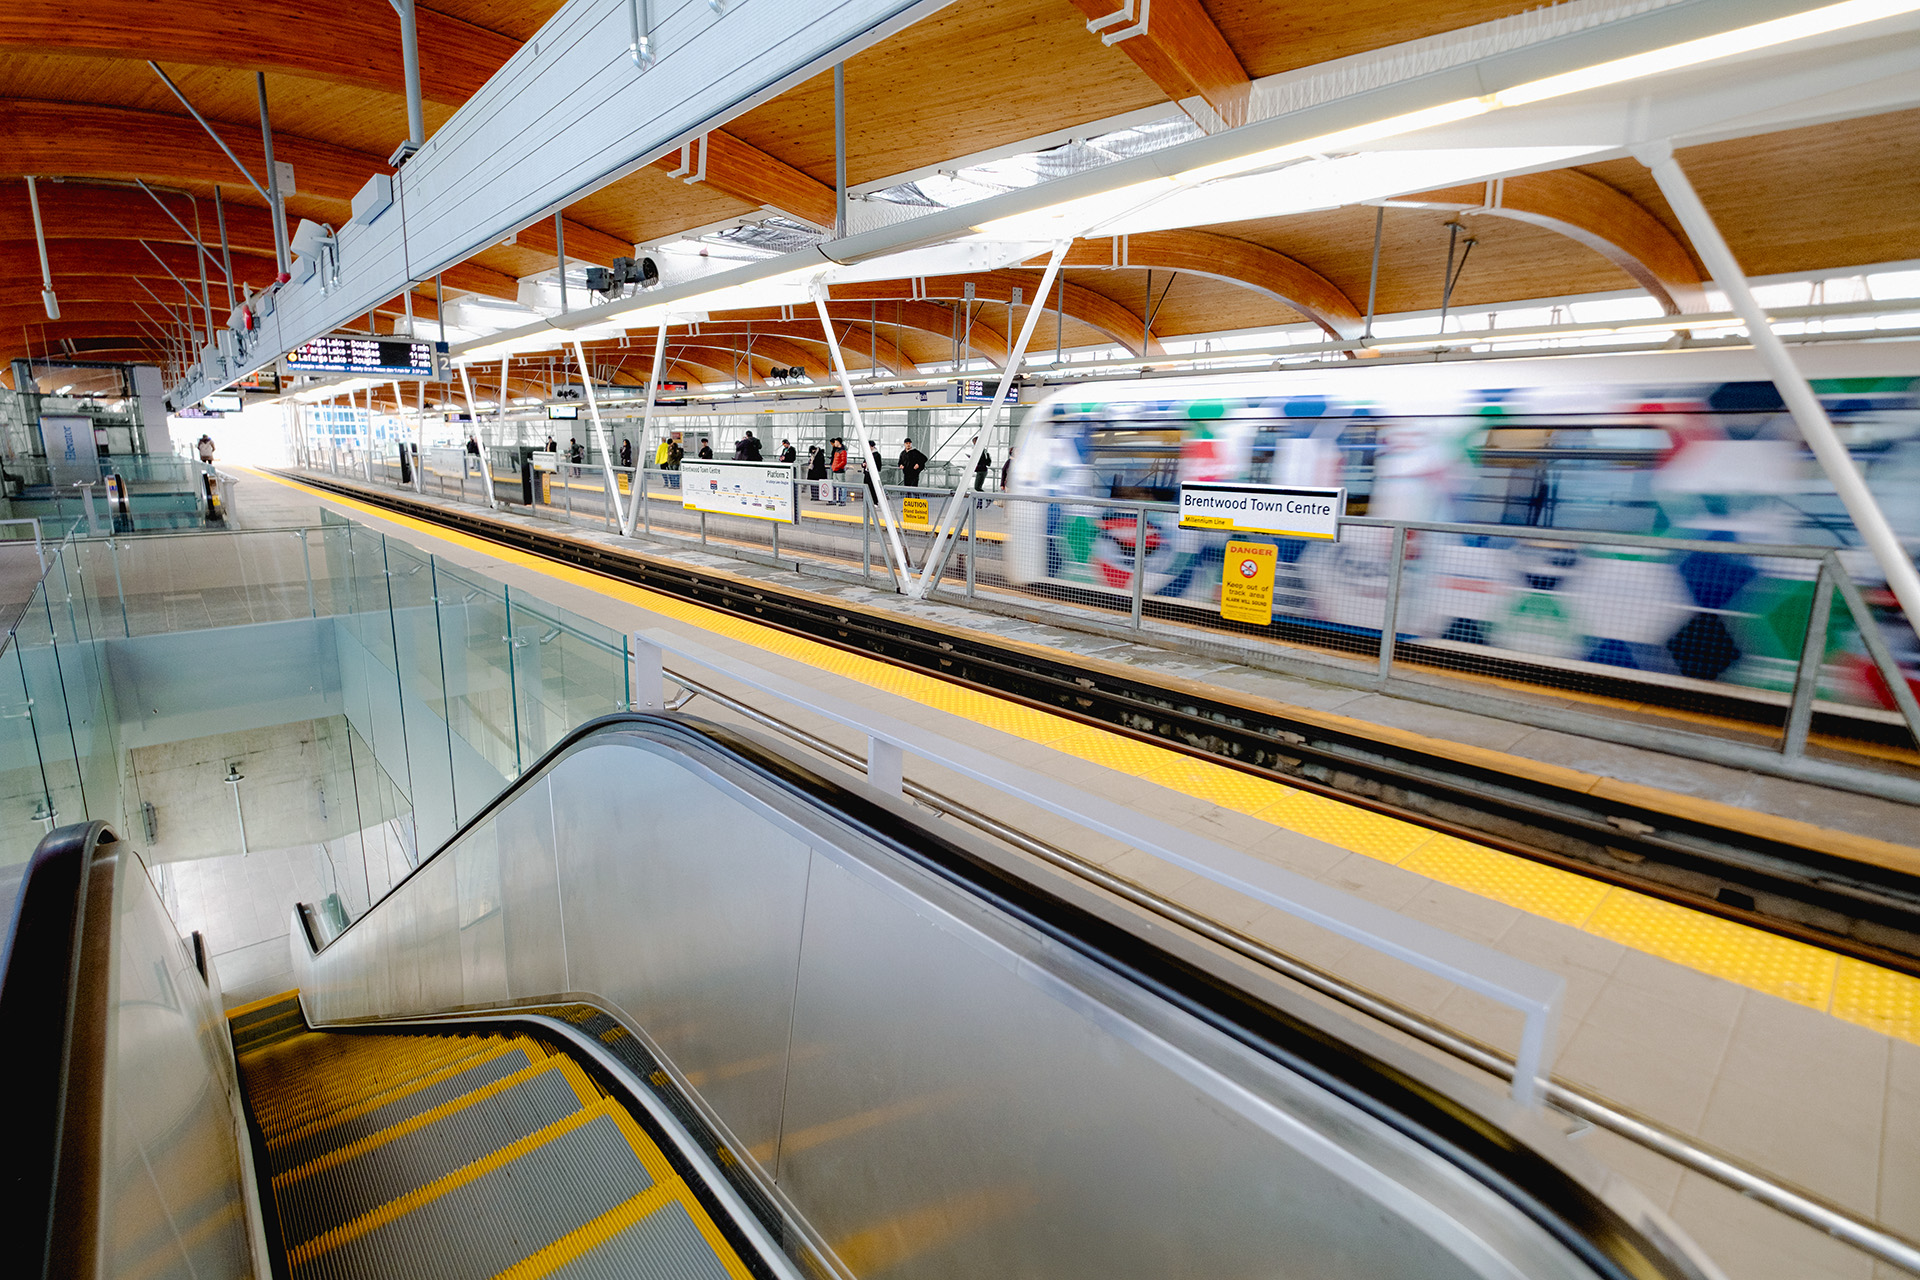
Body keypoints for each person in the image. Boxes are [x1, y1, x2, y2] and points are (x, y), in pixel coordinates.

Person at [828, 437, 848, 505]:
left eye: (836, 442)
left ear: (839, 442)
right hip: (836, 470)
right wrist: (834, 467)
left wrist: (836, 467)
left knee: (842, 486)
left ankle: (842, 500)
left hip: (839, 471)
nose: (834, 443)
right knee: (836, 486)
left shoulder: (843, 451)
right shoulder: (837, 450)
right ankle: (837, 499)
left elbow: (844, 462)